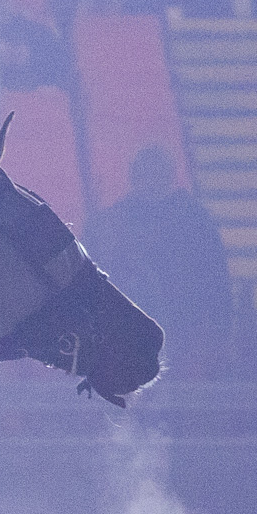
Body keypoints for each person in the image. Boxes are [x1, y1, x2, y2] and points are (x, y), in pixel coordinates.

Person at [82, 147, 246, 380]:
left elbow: (216, 277)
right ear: (135, 177)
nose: (152, 182)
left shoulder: (194, 220)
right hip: (131, 326)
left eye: (157, 174)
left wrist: (221, 327)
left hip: (185, 327)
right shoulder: (114, 222)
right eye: (147, 175)